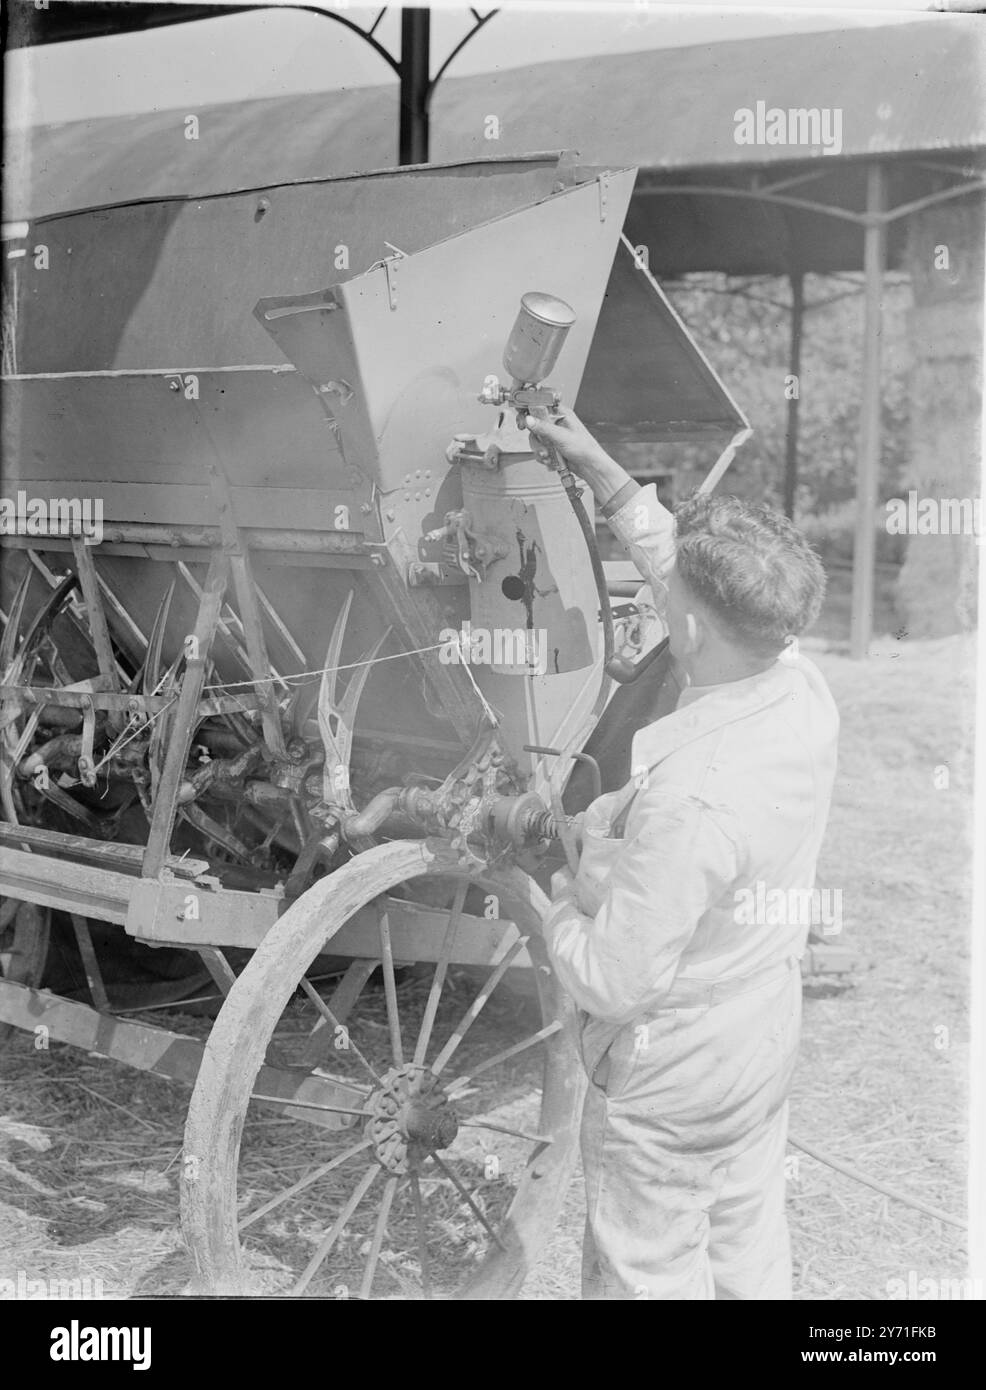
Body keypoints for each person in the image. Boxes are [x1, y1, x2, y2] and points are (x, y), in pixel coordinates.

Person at [525, 407, 839, 1301]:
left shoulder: (691, 798)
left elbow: (617, 983)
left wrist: (552, 902)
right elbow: (683, 566)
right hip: (760, 1031)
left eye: (670, 611)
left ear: (691, 633)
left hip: (675, 1068)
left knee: (644, 1268)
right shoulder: (801, 685)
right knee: (744, 1237)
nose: (661, 608)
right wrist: (596, 464)